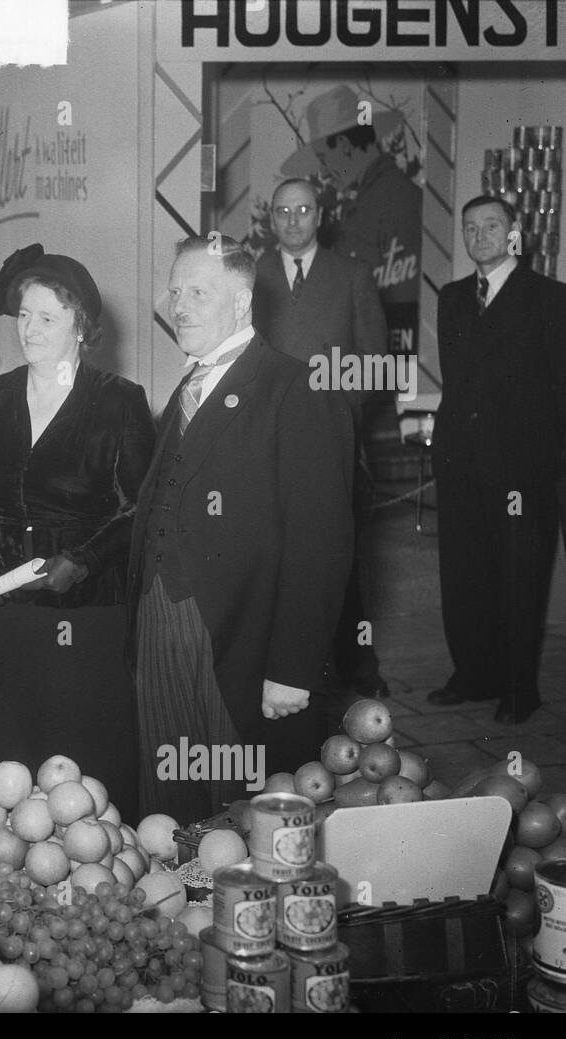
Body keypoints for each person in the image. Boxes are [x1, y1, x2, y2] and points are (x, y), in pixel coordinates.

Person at [126, 234, 354, 826]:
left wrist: (293, 668)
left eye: (197, 292)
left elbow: (321, 544)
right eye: (176, 291)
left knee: (239, 814)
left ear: (242, 302)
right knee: (168, 796)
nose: (178, 305)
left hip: (242, 644)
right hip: (160, 621)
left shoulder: (296, 387)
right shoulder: (187, 385)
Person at [0, 248, 154, 815]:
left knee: (88, 770)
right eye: (24, 315)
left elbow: (144, 510)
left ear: (81, 327)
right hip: (11, 614)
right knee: (18, 769)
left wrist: (85, 560)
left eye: (48, 317)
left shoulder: (119, 401)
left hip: (88, 614)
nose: (31, 329)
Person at [428, 196, 566, 725]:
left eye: (491, 225)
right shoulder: (454, 296)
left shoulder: (549, 298)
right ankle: (472, 675)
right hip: (460, 460)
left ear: (514, 233)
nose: (479, 235)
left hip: (522, 467)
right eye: (470, 227)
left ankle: (517, 689)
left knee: (518, 575)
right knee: (463, 573)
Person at [253, 178, 390, 700]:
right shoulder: (251, 273)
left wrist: (333, 414)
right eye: (282, 210)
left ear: (320, 215)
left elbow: (373, 365)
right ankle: (275, 666)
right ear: (271, 216)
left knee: (340, 558)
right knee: (270, 558)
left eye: (303, 210)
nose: (292, 220)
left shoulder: (352, 275)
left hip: (333, 443)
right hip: (264, 445)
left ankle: (356, 668)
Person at [281, 85, 421, 346]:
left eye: (324, 158)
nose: (323, 171)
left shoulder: (393, 199)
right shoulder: (371, 198)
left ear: (344, 145)